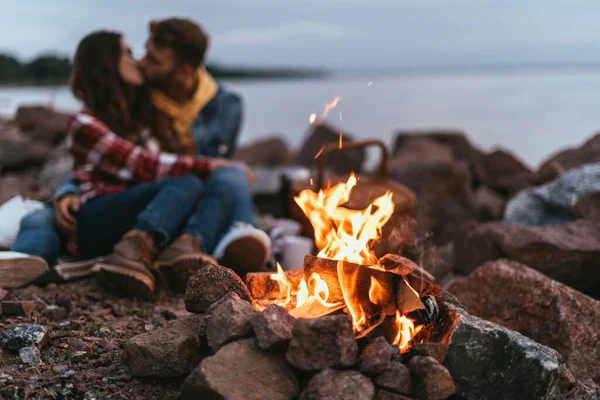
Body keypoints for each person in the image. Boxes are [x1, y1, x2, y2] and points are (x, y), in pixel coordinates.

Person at [0, 18, 270, 290]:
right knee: (193, 180)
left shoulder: (151, 115)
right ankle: (147, 248)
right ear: (108, 64)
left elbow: (150, 172)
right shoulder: (85, 122)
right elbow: (142, 165)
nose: (140, 61)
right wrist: (66, 190)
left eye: (151, 59)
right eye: (130, 53)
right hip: (100, 214)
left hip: (143, 209)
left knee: (222, 177)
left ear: (183, 71)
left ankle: (194, 245)